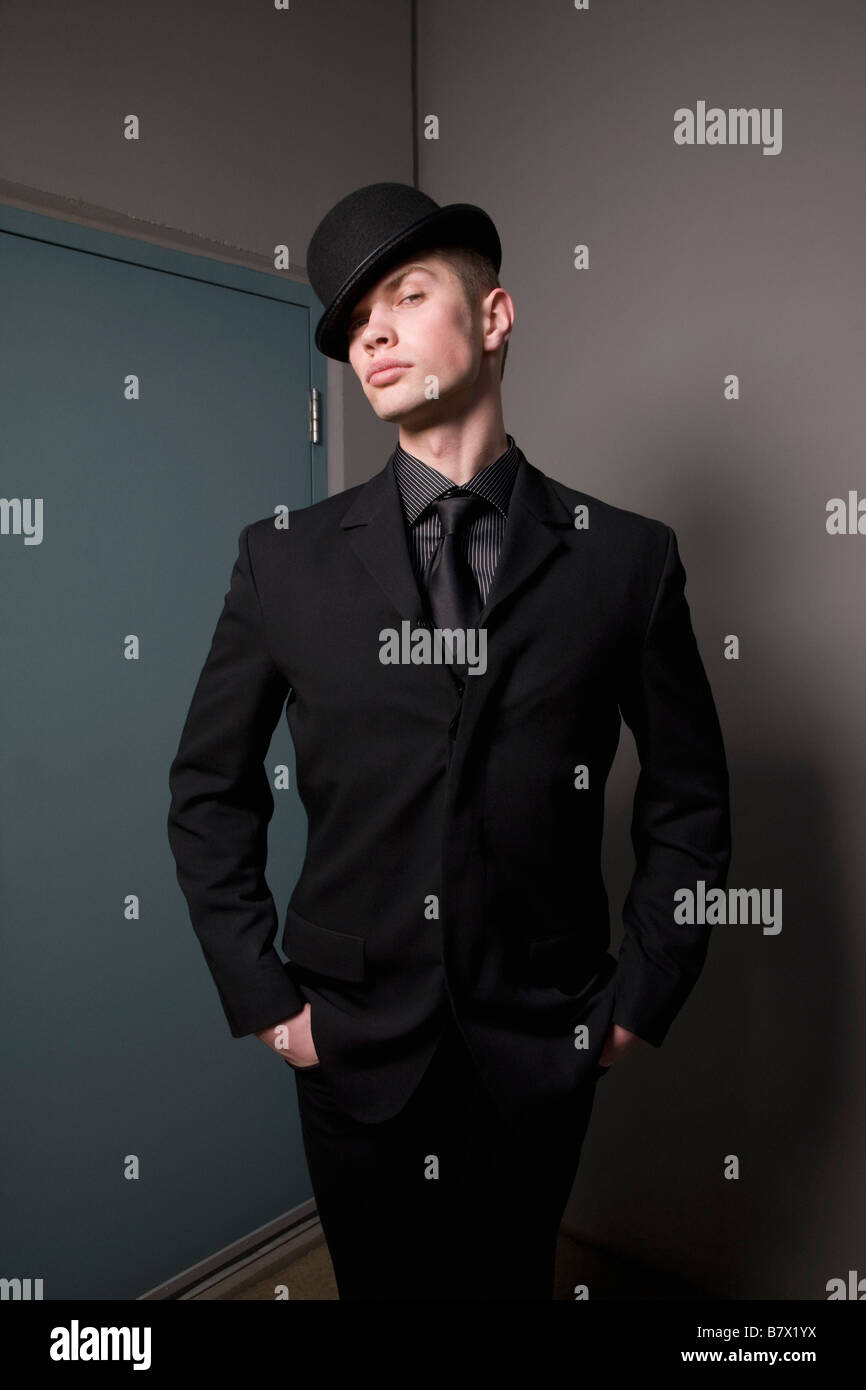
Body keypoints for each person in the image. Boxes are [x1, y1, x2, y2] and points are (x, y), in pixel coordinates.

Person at [167, 181, 731, 1301]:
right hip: (349, 1040)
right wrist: (273, 1008)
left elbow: (691, 803)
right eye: (352, 321)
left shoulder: (627, 560)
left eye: (404, 294)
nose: (369, 331)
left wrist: (630, 1006)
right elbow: (207, 791)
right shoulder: (282, 561)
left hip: (541, 1036)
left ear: (493, 317)